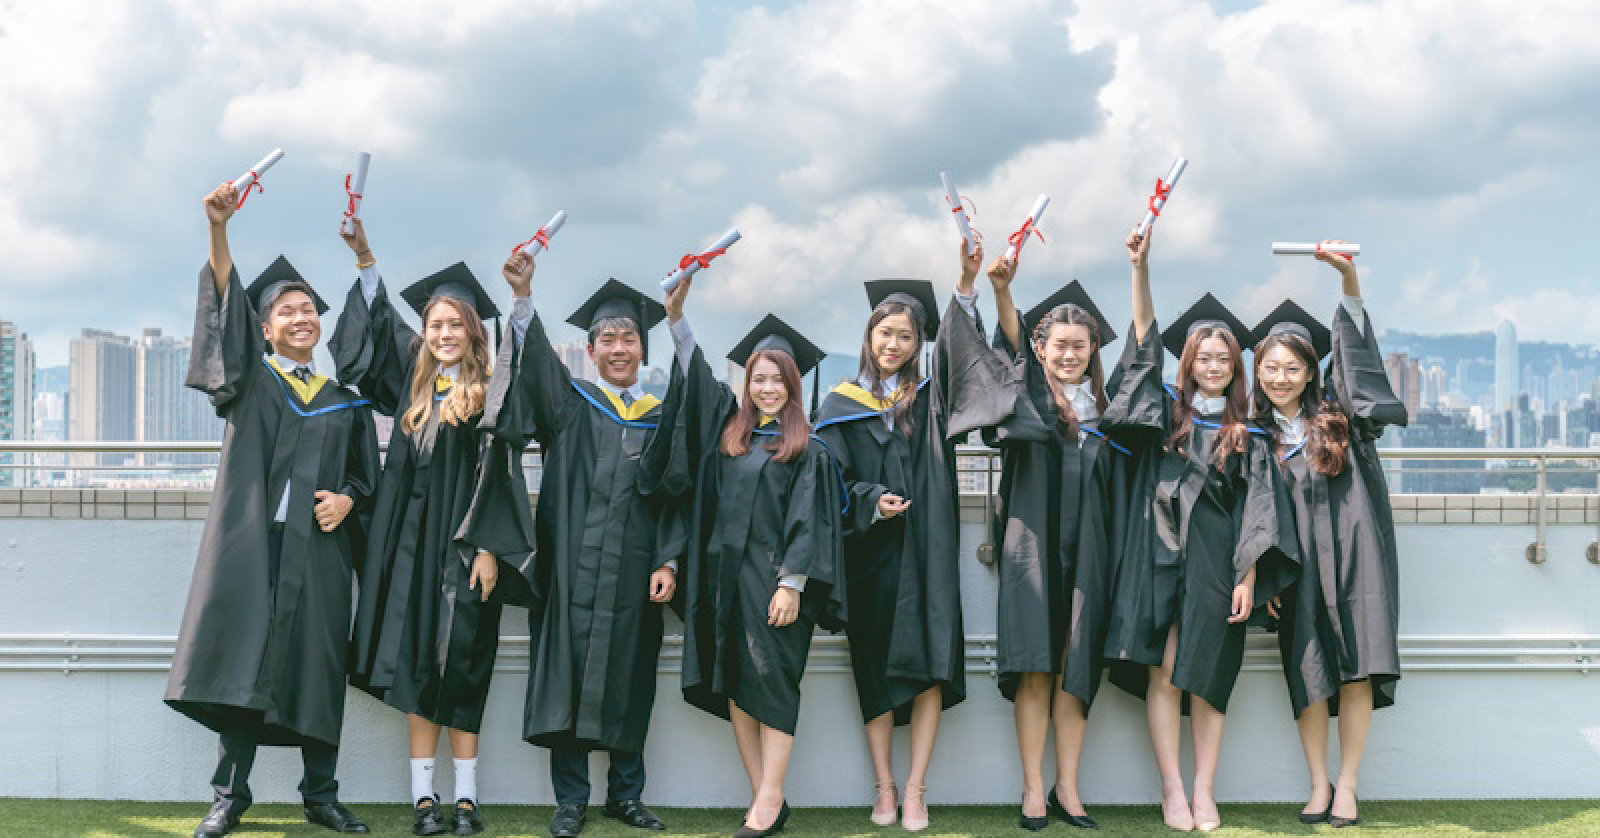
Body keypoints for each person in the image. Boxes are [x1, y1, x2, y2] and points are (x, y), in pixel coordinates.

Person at [166, 182, 378, 837]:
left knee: (319, 668)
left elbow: (367, 478)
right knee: (244, 664)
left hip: (319, 551)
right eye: (286, 311)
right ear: (265, 329)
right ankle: (229, 797)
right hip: (256, 547)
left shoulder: (344, 400)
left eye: (308, 309)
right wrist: (219, 230)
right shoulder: (252, 381)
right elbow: (224, 310)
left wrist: (347, 498)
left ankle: (322, 796)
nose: (301, 318)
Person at [473, 252, 689, 837]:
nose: (619, 349)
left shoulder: (661, 417)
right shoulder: (571, 405)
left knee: (631, 676)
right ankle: (570, 799)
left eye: (629, 339)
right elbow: (536, 366)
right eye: (607, 340)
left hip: (636, 573)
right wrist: (523, 296)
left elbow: (677, 492)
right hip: (568, 571)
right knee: (565, 676)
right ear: (590, 351)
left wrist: (669, 560)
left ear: (643, 349)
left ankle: (626, 795)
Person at [331, 221, 535, 837]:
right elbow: (380, 329)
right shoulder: (415, 392)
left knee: (464, 669)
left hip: (466, 556)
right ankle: (424, 800)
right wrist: (366, 257)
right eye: (435, 326)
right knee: (415, 672)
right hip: (412, 559)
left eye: (455, 325)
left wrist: (489, 547)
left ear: (473, 332)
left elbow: (501, 474)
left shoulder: (489, 397)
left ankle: (466, 800)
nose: (444, 334)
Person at [811, 242, 1020, 832]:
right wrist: (870, 501)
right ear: (869, 336)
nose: (894, 344)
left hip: (927, 551)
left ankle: (916, 790)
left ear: (919, 342)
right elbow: (829, 480)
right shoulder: (839, 404)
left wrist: (965, 284)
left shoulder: (932, 396)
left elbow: (964, 358)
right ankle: (883, 786)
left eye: (906, 335)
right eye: (885, 333)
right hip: (871, 556)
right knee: (873, 668)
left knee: (931, 663)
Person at [1101, 231, 1298, 833]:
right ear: (1188, 364)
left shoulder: (1249, 433)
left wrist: (1249, 576)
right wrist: (1139, 270)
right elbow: (1142, 349)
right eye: (1203, 358)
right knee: (1164, 671)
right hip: (1159, 555)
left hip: (1218, 563)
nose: (1213, 367)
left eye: (1223, 359)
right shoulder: (1165, 414)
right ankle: (1172, 789)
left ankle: (1205, 791)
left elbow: (1260, 509)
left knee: (1210, 676)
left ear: (1236, 367)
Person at [651, 292, 846, 837]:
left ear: (793, 385)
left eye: (777, 379)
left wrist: (792, 584)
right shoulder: (731, 438)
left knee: (775, 686)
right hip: (726, 584)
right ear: (746, 383)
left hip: (776, 585)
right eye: (758, 378)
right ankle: (764, 797)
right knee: (736, 684)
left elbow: (810, 520)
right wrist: (677, 320)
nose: (766, 388)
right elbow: (698, 381)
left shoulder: (808, 448)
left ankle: (769, 797)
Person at [1250, 244, 1406, 829]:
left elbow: (1357, 361)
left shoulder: (1342, 420)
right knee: (1309, 673)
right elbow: (1252, 515)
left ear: (1312, 372)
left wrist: (1349, 283)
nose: (1281, 378)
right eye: (1271, 368)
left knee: (1357, 666)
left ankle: (1348, 786)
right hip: (1296, 568)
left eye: (1293, 368)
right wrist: (1264, 572)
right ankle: (1318, 784)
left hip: (1358, 559)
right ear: (1257, 374)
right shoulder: (1254, 436)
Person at [982, 267, 1135, 830]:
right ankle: (1031, 788)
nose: (1069, 355)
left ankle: (1067, 787)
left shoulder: (1106, 411)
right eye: (1059, 345)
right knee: (1035, 665)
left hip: (1091, 549)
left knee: (1076, 665)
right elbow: (1010, 340)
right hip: (1033, 548)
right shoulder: (1025, 398)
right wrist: (1002, 290)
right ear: (1041, 349)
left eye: (1080, 346)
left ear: (1093, 351)